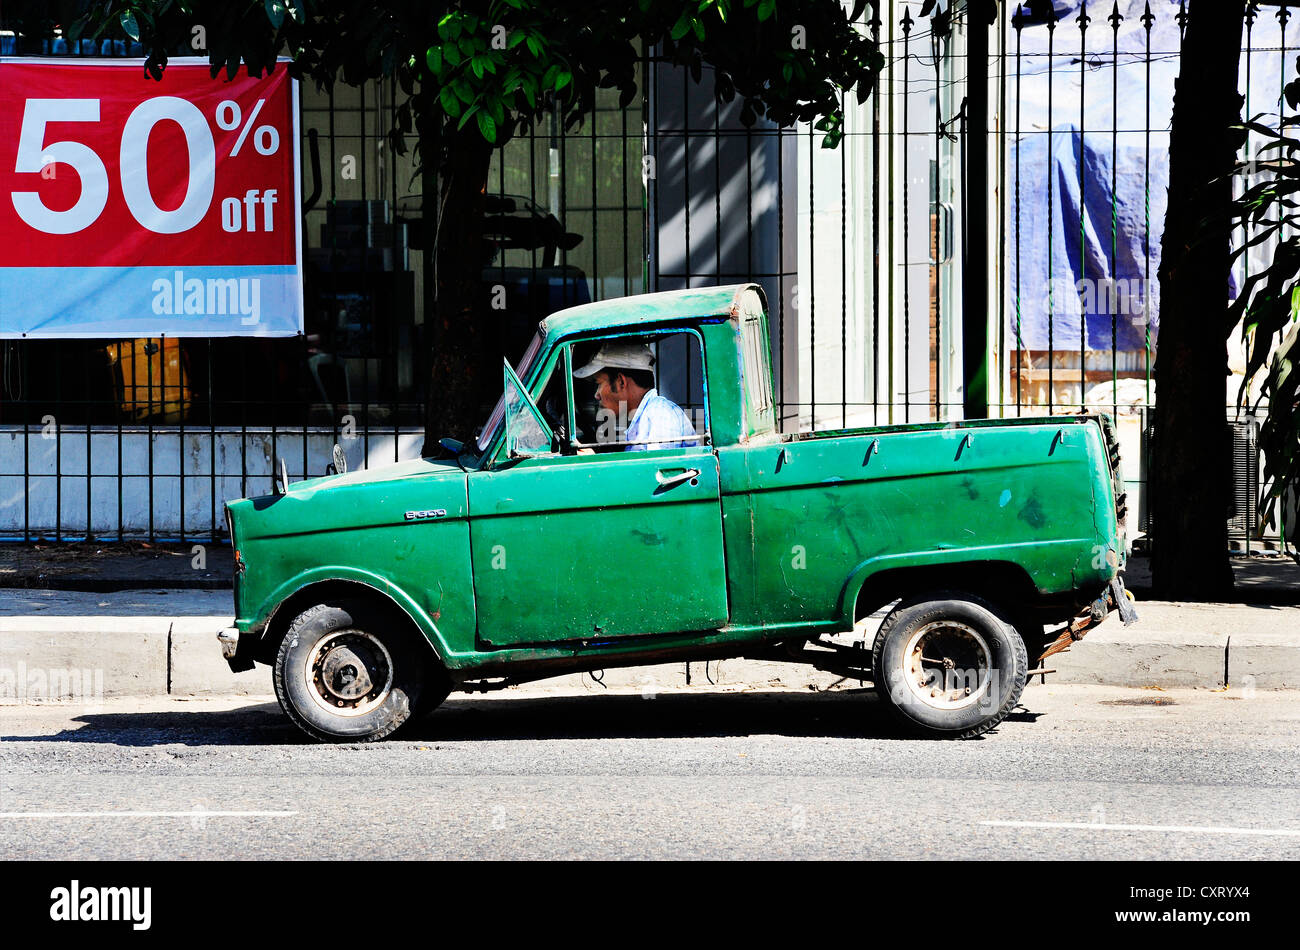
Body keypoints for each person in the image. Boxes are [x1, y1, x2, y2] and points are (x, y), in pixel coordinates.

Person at [572, 342, 698, 450]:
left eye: (599, 384)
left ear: (621, 382)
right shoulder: (646, 416)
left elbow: (651, 475)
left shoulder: (658, 417)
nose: (597, 395)